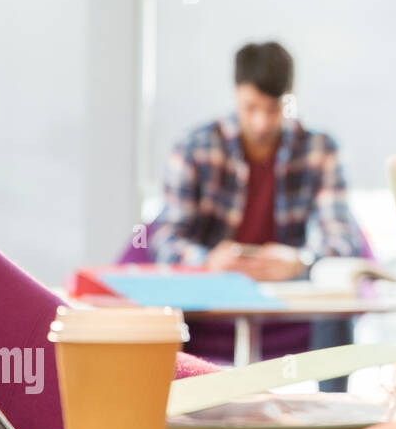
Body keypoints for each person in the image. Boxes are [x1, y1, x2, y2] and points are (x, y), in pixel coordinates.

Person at [149, 41, 367, 387]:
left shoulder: (321, 149)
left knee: (335, 301)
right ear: (236, 94)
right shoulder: (194, 147)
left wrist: (299, 262)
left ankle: (333, 415)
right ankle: (178, 413)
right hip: (210, 294)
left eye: (273, 109)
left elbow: (342, 242)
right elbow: (163, 241)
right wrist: (209, 261)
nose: (262, 122)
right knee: (161, 306)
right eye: (251, 107)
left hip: (288, 293)